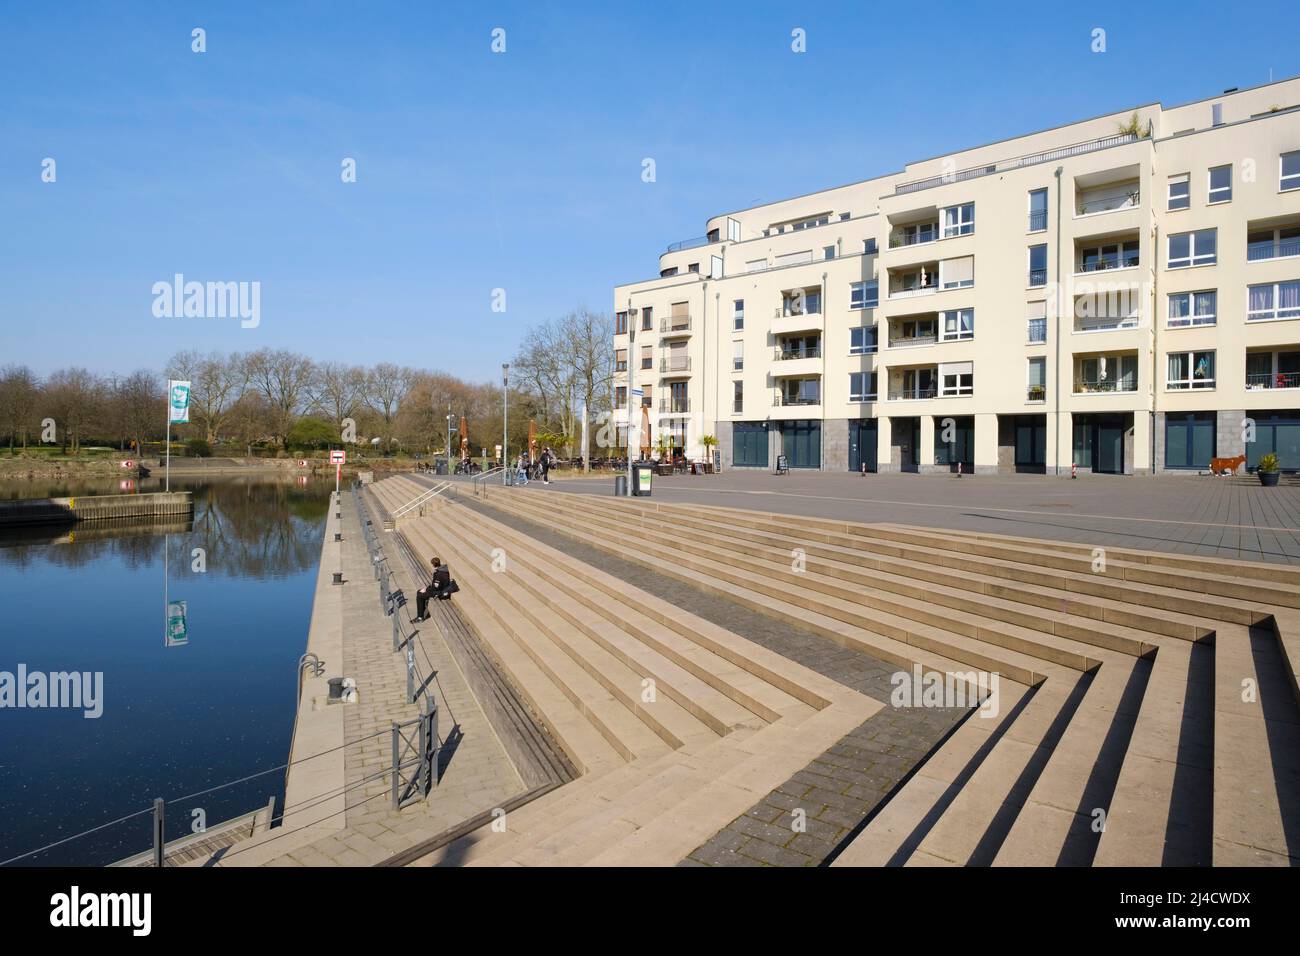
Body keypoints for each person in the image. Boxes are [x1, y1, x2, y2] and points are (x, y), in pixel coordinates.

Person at [414, 557, 451, 621]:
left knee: (419, 594)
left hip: (440, 592)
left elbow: (435, 587)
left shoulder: (439, 574)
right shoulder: (444, 570)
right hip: (443, 589)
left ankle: (420, 617)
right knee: (422, 592)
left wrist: (426, 589)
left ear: (434, 565)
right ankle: (423, 610)